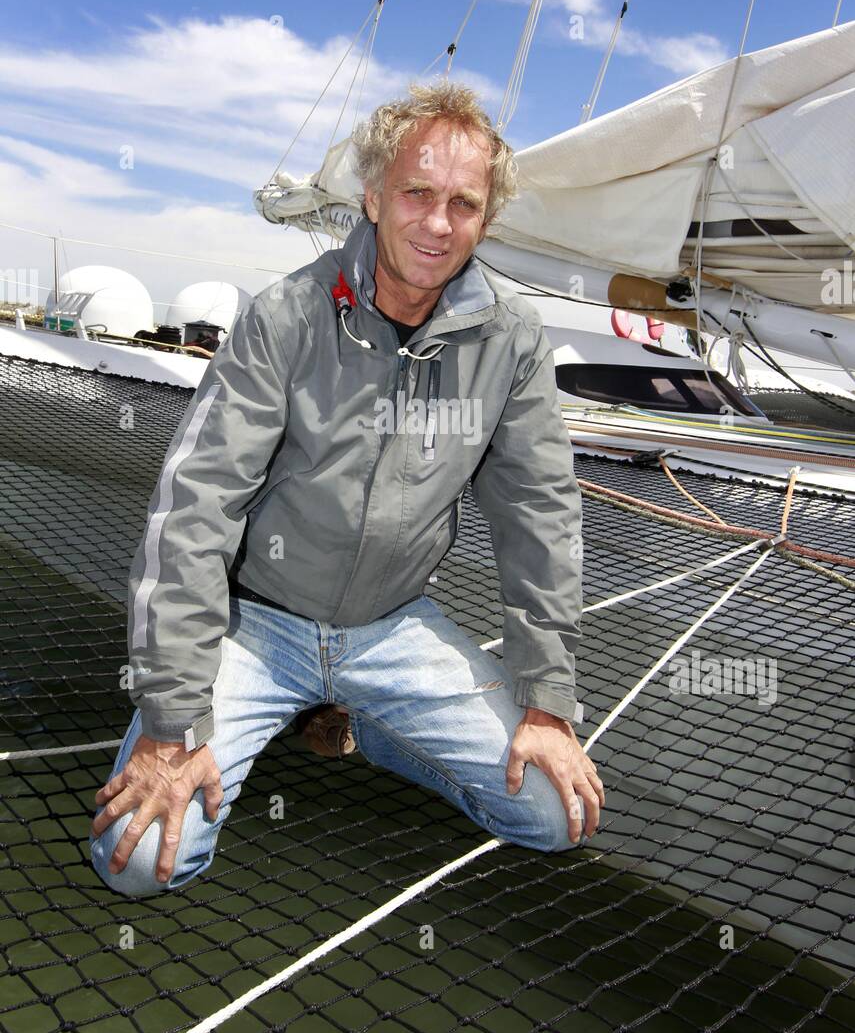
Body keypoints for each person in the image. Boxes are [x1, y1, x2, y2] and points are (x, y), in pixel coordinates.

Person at [89, 79, 604, 898]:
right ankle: (277, 708)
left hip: (390, 626)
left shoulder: (510, 339)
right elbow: (194, 508)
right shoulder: (286, 317)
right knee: (145, 861)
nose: (438, 224)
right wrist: (172, 725)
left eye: (463, 204)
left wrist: (546, 701)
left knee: (550, 814)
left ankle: (361, 724)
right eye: (417, 193)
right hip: (255, 623)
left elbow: (539, 514)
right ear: (372, 196)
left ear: (485, 219)